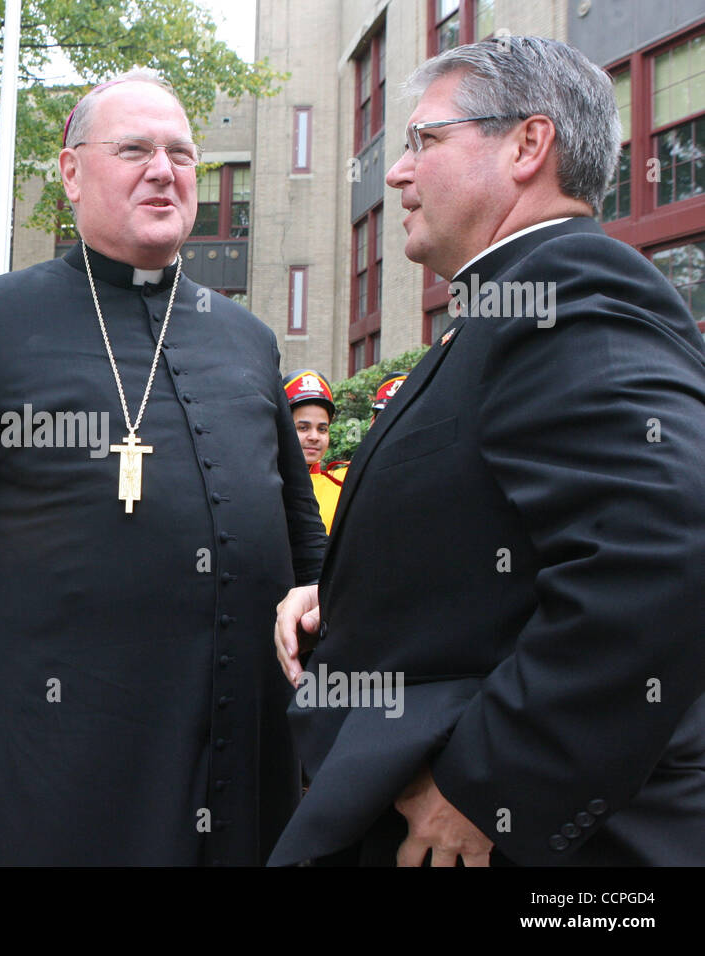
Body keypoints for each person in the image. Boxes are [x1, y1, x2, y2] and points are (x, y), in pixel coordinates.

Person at [0, 68, 326, 866]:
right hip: (51, 768)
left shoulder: (248, 339)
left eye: (181, 153)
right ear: (70, 171)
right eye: (134, 149)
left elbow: (309, 553)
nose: (163, 170)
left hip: (240, 759)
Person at [272, 37, 705, 866]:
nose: (398, 173)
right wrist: (350, 595)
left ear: (527, 145)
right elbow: (505, 534)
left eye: (424, 142)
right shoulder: (500, 308)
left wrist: (493, 790)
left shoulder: (572, 291)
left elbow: (665, 549)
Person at [283, 369, 348, 533]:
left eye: (322, 429)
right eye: (303, 428)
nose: (314, 437)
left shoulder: (343, 490)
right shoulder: (261, 486)